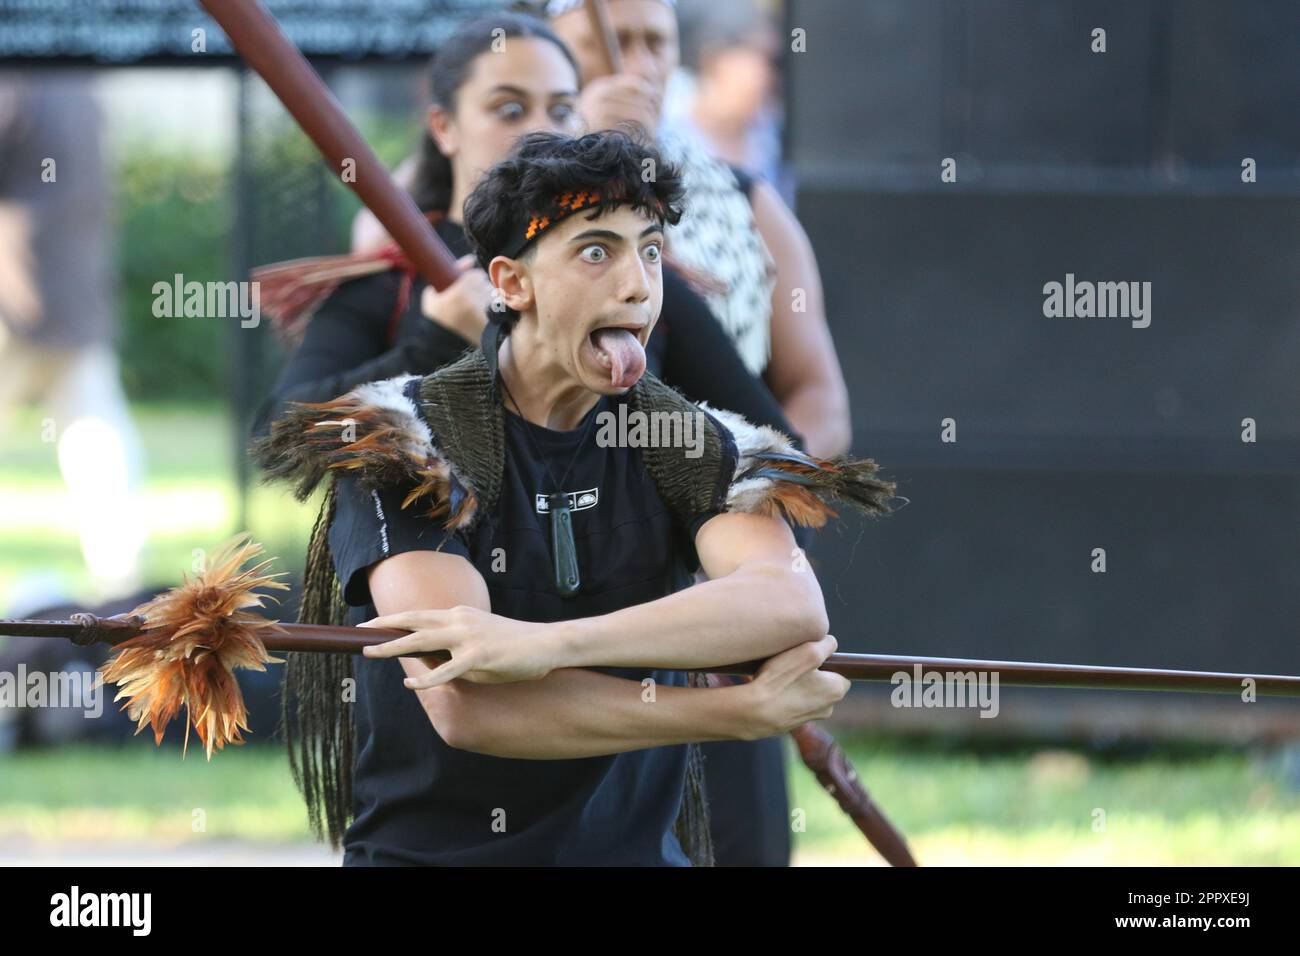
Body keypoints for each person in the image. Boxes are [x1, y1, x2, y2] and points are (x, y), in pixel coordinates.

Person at [253, 129, 894, 865]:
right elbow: (469, 705)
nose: (638, 285)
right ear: (512, 282)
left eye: (650, 250)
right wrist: (732, 712)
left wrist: (541, 645)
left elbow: (786, 603)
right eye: (597, 251)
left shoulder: (686, 437)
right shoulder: (402, 440)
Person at [253, 11, 793, 448]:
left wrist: (711, 544)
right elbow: (279, 436)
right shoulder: (393, 282)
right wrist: (432, 344)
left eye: (562, 109)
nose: (539, 129)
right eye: (509, 108)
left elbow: (779, 451)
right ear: (444, 127)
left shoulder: (640, 278)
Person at [546, 0, 852, 460]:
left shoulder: (744, 201)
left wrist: (776, 483)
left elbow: (818, 395)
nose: (638, 66)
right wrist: (581, 145)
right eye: (612, 42)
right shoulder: (508, 196)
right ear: (553, 57)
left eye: (656, 43)